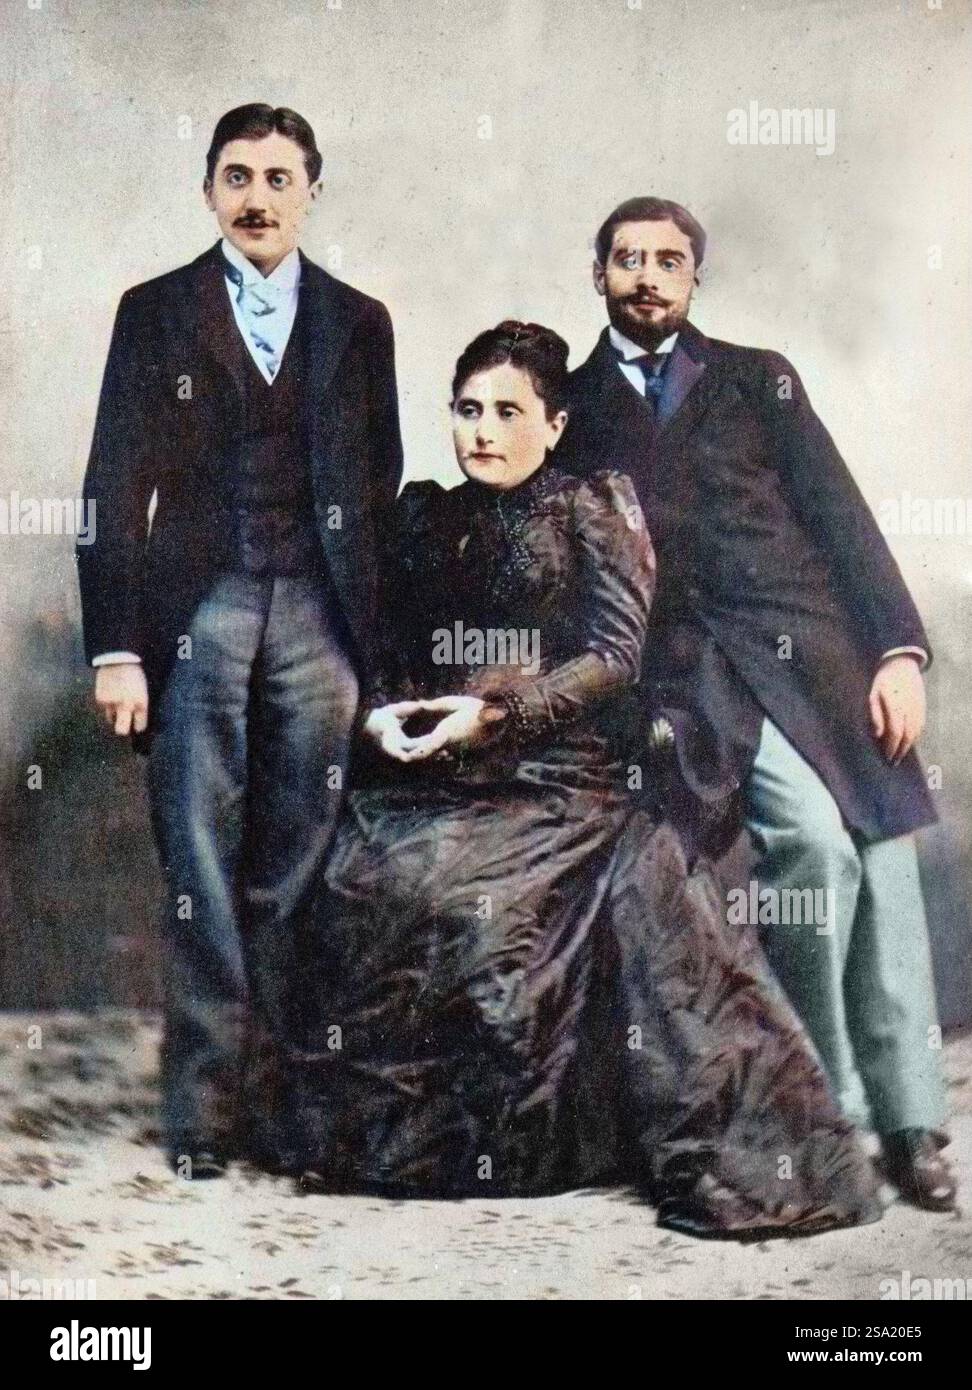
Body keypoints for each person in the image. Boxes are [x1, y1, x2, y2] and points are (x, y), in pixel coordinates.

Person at [291, 320, 881, 1239]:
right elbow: (399, 650)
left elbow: (613, 657)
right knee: (370, 878)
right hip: (450, 766)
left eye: (508, 412)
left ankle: (540, 1142)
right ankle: (399, 1144)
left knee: (483, 908)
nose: (483, 431)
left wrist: (499, 713)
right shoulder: (427, 515)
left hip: (567, 771)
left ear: (556, 425)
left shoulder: (594, 508)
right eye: (467, 410)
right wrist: (386, 710)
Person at [556, 196, 955, 1212]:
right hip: (696, 680)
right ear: (597, 272)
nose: (648, 276)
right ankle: (838, 1110)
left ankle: (917, 1126)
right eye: (628, 260)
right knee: (816, 853)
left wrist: (897, 651)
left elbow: (840, 513)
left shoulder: (758, 377)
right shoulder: (570, 400)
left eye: (669, 261)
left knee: (884, 849)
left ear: (697, 279)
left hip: (820, 652)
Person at [76, 104, 403, 1178]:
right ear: (208, 190)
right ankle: (205, 1118)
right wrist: (116, 647)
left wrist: (374, 644)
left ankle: (290, 1107)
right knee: (199, 864)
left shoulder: (360, 321)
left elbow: (379, 483)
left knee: (301, 857)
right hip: (195, 612)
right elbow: (114, 486)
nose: (258, 198)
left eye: (279, 177)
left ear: (315, 189)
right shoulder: (155, 312)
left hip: (317, 611)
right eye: (236, 176)